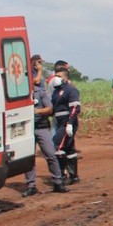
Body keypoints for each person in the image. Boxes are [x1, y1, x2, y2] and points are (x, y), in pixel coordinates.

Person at [22, 56, 68, 196]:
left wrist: (37, 111)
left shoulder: (40, 92)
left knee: (50, 154)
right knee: (29, 159)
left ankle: (58, 182)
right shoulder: (22, 95)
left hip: (41, 126)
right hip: (27, 129)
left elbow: (50, 109)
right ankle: (31, 186)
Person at [51, 64, 82, 184]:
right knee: (69, 149)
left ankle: (61, 176)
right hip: (60, 122)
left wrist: (70, 123)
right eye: (55, 76)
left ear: (65, 78)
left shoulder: (70, 89)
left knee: (58, 146)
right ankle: (74, 176)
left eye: (58, 76)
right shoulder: (56, 91)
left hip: (67, 123)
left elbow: (75, 107)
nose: (56, 78)